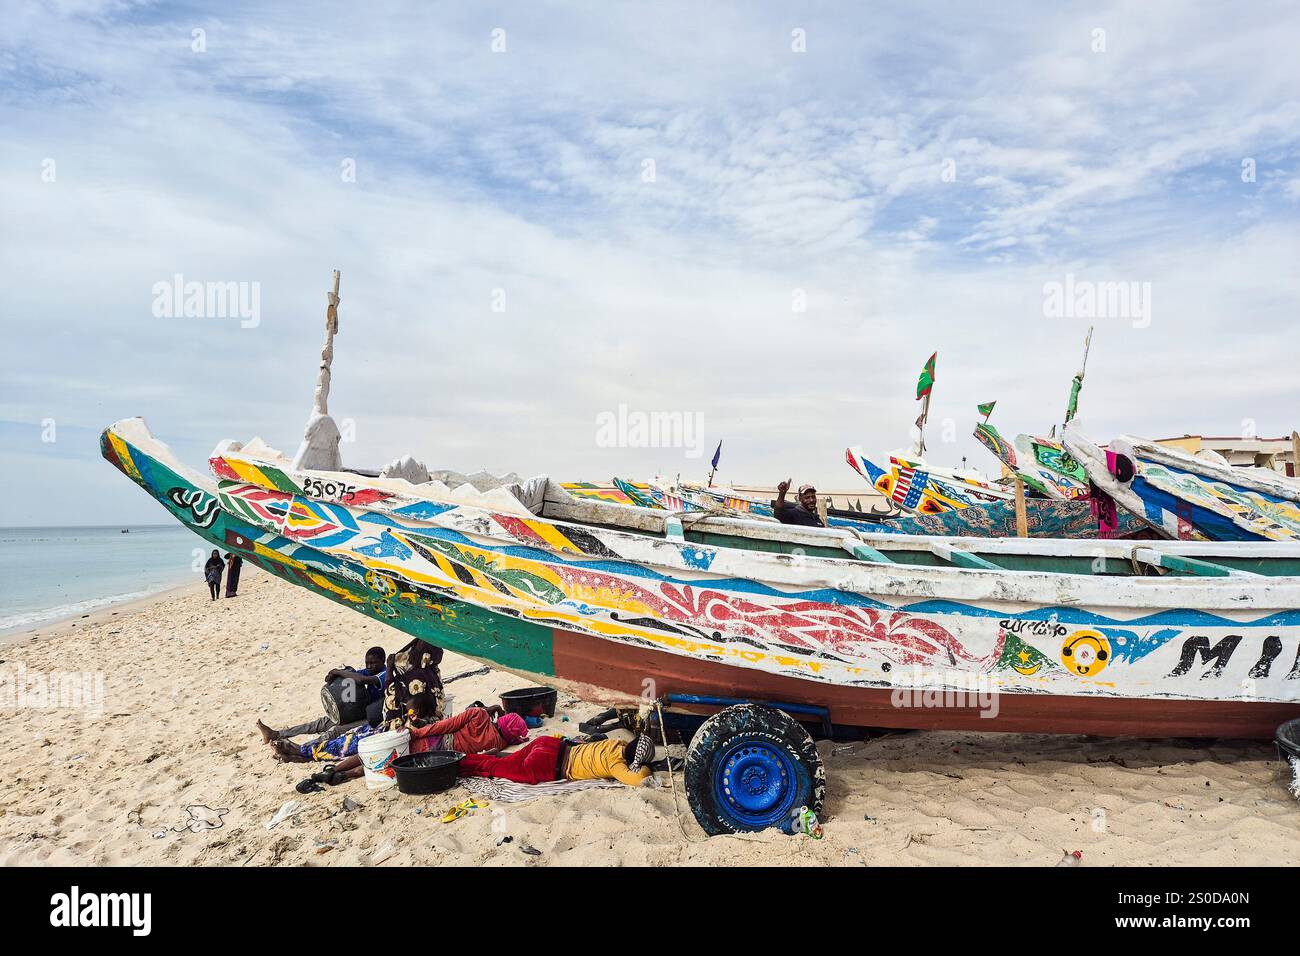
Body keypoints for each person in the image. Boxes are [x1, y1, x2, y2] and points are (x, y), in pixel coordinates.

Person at [303, 695, 531, 783]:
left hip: (432, 742)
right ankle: (348, 775)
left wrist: (416, 732)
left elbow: (445, 725)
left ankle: (336, 769)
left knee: (380, 751)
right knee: (392, 762)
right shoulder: (497, 744)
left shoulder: (478, 715)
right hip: (441, 758)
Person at [256, 645, 388, 757]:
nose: (369, 666)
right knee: (320, 723)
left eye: (373, 663)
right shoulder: (368, 671)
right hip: (363, 711)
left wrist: (337, 671)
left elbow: (360, 680)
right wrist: (335, 675)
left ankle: (300, 749)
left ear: (383, 661)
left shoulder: (385, 674)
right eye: (367, 663)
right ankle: (276, 734)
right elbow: (343, 678)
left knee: (335, 730)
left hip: (377, 717)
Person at [456, 732, 655, 787]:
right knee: (493, 768)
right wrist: (645, 767)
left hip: (551, 744)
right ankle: (456, 765)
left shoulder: (614, 743)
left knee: (504, 762)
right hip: (546, 765)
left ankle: (466, 757)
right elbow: (638, 780)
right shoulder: (615, 765)